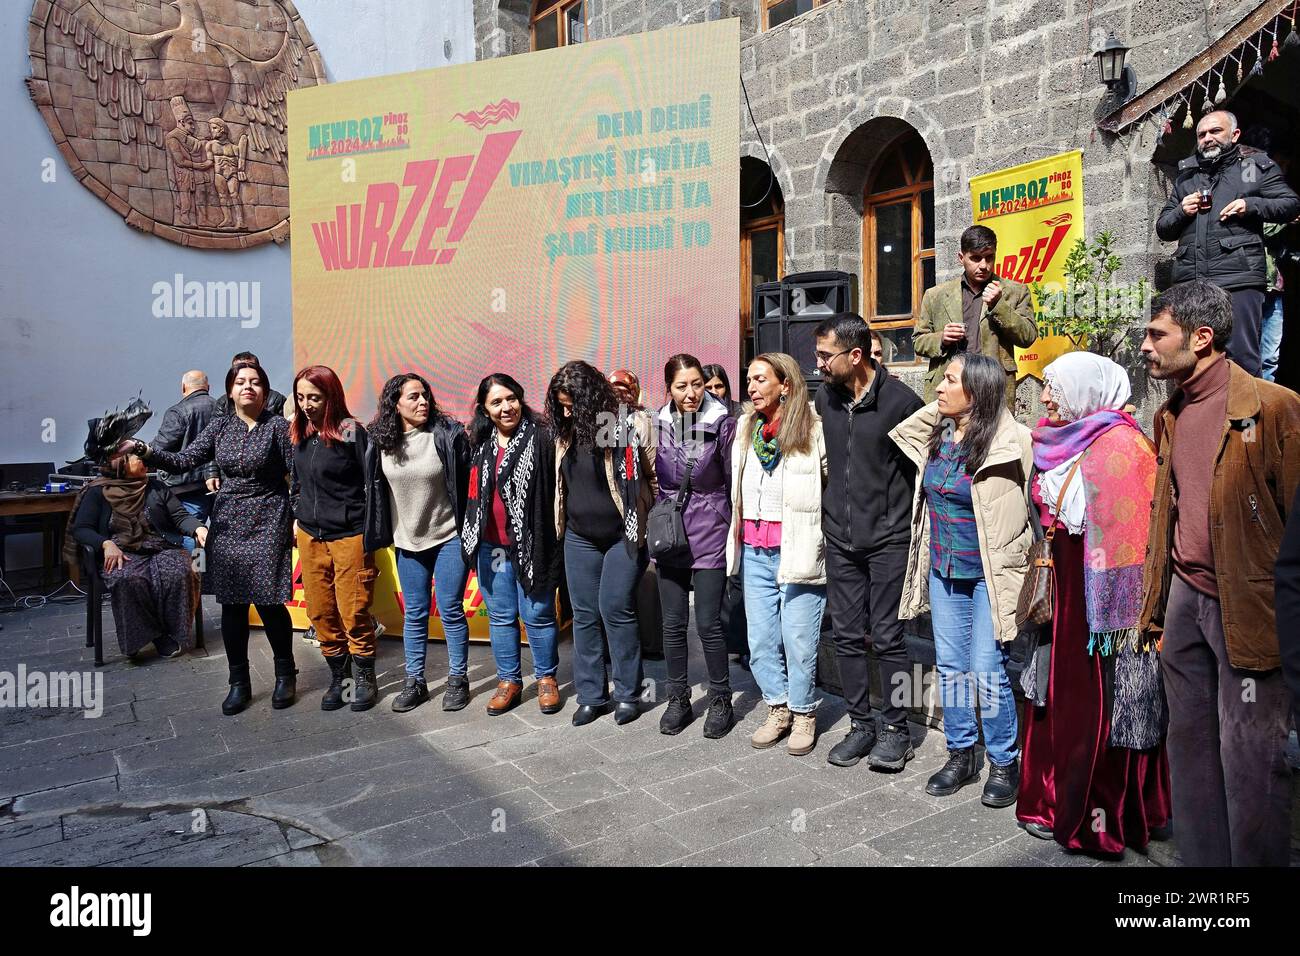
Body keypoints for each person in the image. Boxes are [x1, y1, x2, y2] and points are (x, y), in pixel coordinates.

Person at [1138, 279, 1299, 866]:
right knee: (1190, 751)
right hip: (1184, 602)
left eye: (1158, 335)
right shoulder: (1171, 413)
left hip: (1251, 609)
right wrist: (1159, 605)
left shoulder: (1273, 408)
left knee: (1251, 759)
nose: (1146, 346)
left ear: (1201, 337)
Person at [1016, 352, 1172, 855]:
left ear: (1086, 392)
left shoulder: (1125, 446)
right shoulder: (1052, 441)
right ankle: (1049, 797)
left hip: (1105, 612)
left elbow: (1143, 535)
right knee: (1053, 692)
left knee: (1101, 704)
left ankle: (1101, 814)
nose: (1044, 398)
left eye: (1055, 389)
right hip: (1059, 600)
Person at [890, 352, 1033, 806]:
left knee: (987, 671)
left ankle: (1004, 760)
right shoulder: (937, 435)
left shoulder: (1012, 441)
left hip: (990, 575)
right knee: (951, 668)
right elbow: (906, 428)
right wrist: (950, 407)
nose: (938, 387)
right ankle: (961, 753)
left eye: (950, 380)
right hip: (944, 571)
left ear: (977, 390)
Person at [129, 359, 297, 715]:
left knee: (269, 603)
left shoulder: (279, 427)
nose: (248, 387)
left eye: (255, 382)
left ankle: (285, 675)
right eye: (240, 382)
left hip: (269, 516)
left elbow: (296, 476)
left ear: (265, 390)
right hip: (228, 520)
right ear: (230, 391)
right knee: (233, 606)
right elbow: (183, 460)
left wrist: (296, 519)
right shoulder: (219, 426)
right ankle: (239, 682)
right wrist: (145, 450)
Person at [813, 314, 923, 770]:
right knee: (845, 634)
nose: (818, 364)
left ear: (855, 355)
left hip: (888, 539)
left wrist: (899, 519)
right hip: (840, 537)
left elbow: (924, 466)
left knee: (888, 636)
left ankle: (897, 729)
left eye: (826, 356)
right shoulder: (826, 397)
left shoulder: (902, 403)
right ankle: (861, 724)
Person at [727, 352, 828, 756]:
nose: (751, 387)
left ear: (785, 384)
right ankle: (777, 706)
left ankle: (803, 712)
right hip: (754, 549)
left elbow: (828, 481)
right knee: (761, 639)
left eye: (760, 379)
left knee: (799, 639)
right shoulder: (746, 427)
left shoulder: (812, 427)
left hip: (796, 546)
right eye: (749, 380)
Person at [548, 361, 658, 726]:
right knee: (583, 615)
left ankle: (628, 694)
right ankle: (591, 696)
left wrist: (647, 521)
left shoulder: (626, 425)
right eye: (561, 406)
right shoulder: (564, 432)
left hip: (622, 535)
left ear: (590, 399)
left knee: (615, 608)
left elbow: (653, 477)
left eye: (571, 405)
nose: (566, 412)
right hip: (579, 536)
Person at [1155, 110, 1300, 377]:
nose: (1207, 138)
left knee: (1241, 358)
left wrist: (1250, 204)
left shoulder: (1253, 167)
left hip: (1238, 277)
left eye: (1215, 131)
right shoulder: (1187, 175)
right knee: (1191, 357)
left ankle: (1244, 407)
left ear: (1234, 135)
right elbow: (1163, 228)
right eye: (1202, 134)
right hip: (1192, 282)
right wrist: (1181, 211)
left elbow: (1289, 204)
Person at [365, 373, 471, 714]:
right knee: (414, 613)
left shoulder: (446, 435)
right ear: (395, 404)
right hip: (407, 542)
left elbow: (466, 483)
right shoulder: (379, 442)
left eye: (425, 395)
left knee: (451, 609)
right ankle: (415, 682)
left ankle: (458, 679)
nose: (423, 401)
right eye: (413, 396)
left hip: (448, 536)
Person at [461, 373, 562, 716]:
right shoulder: (478, 442)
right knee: (502, 616)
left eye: (511, 399)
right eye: (496, 402)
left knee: (538, 614)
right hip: (492, 547)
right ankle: (509, 681)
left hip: (533, 545)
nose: (506, 407)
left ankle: (546, 678)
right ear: (484, 409)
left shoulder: (542, 437)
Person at [653, 354, 738, 738]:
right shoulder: (657, 423)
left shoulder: (722, 423)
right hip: (670, 529)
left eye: (697, 384)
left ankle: (720, 699)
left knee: (707, 622)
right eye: (681, 386)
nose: (691, 393)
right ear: (669, 389)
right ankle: (678, 699)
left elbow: (732, 479)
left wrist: (734, 528)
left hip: (710, 527)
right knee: (672, 623)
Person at [290, 365, 379, 713]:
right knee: (320, 611)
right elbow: (297, 481)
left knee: (353, 610)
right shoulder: (299, 432)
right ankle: (340, 679)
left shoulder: (350, 431)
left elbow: (372, 482)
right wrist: (297, 512)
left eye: (314, 397)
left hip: (349, 534)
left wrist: (368, 528)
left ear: (331, 396)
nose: (306, 404)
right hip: (310, 536)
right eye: (301, 397)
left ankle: (364, 678)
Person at [70, 448, 204, 660]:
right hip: (121, 551)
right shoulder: (98, 491)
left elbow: (179, 516)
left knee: (184, 571)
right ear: (119, 463)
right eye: (136, 457)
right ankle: (150, 635)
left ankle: (172, 632)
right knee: (128, 578)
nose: (144, 461)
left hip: (162, 546)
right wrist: (105, 543)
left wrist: (199, 528)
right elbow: (81, 529)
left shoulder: (156, 487)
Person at [913, 225, 1038, 408]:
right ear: (961, 258)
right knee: (948, 428)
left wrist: (999, 306)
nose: (984, 265)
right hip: (950, 387)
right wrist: (942, 338)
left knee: (993, 428)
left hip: (992, 388)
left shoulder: (1015, 291)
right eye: (976, 258)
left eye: (989, 258)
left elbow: (1028, 336)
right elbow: (918, 341)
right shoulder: (935, 295)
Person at [151, 370, 217, 551]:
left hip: (185, 487)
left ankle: (195, 568)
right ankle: (210, 568)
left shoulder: (178, 412)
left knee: (191, 537)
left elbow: (159, 448)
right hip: (215, 485)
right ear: (208, 387)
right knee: (217, 535)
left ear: (183, 387)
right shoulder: (220, 409)